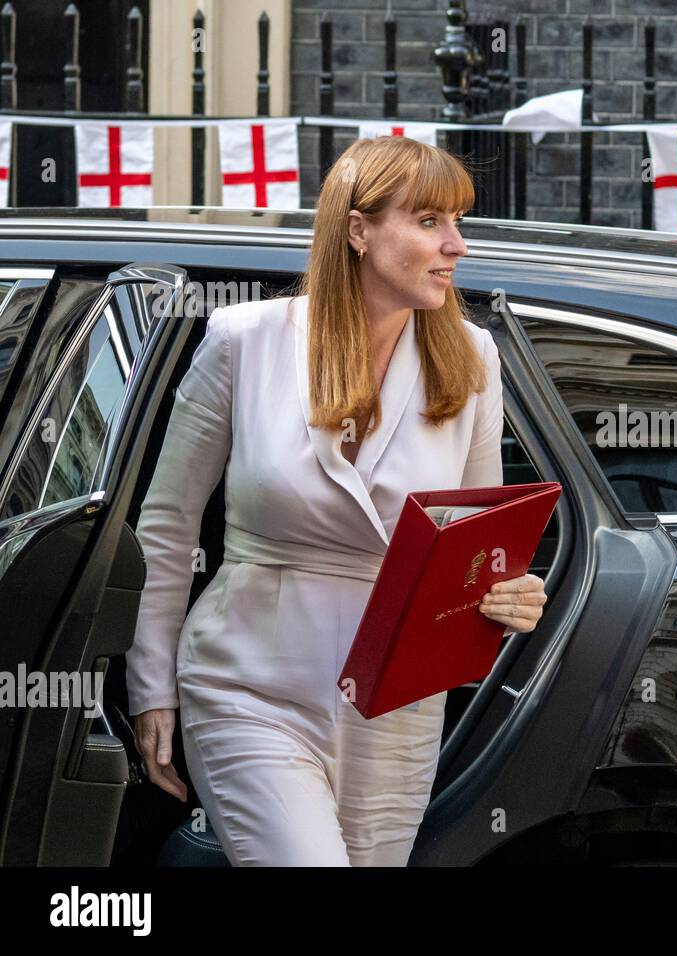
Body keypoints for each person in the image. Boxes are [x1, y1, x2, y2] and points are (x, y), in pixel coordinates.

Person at [124, 135, 548, 866]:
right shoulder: (244, 340)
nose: (458, 245)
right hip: (247, 685)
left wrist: (514, 594)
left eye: (457, 221)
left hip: (397, 706)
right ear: (358, 230)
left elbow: (479, 540)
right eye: (430, 222)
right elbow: (166, 525)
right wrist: (151, 685)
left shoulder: (473, 355)